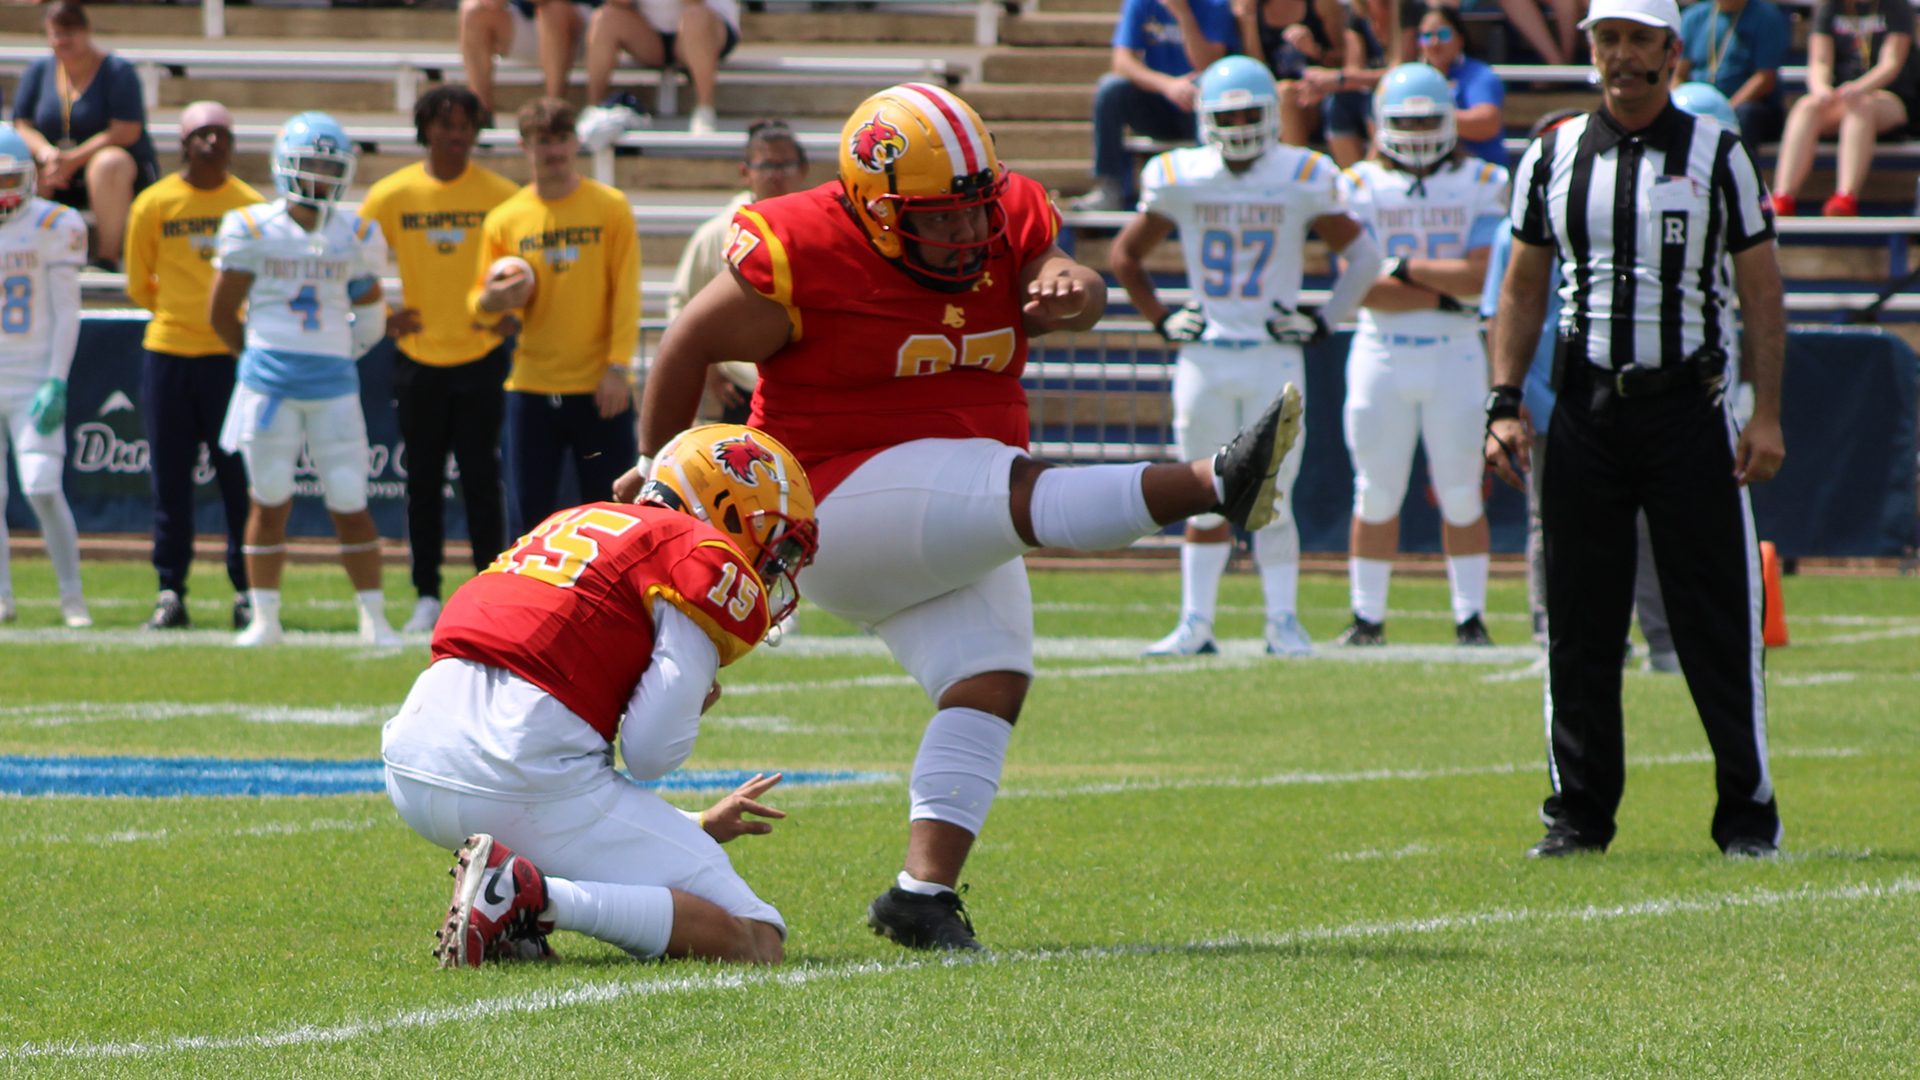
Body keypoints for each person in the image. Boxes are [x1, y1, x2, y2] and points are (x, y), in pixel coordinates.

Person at [622, 82, 1325, 950]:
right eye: (940, 218)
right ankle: (1214, 484)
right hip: (830, 501)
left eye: (974, 210)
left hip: (946, 513)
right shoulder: (808, 248)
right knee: (1013, 486)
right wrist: (658, 478)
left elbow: (1063, 279)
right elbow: (687, 342)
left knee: (989, 677)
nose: (965, 233)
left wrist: (1073, 281)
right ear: (875, 210)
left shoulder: (1006, 220)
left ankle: (922, 894)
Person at [1488, 0, 1788, 858]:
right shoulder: (1551, 153)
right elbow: (1521, 288)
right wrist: (1504, 403)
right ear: (1591, 49)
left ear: (1671, 50)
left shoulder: (1717, 154)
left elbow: (1762, 293)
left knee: (1719, 620)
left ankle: (1748, 816)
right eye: (1606, 40)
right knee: (1581, 624)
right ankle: (1578, 816)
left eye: (1637, 41)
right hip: (1584, 411)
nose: (1622, 57)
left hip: (1687, 411)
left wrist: (1765, 412)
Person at [384, 422, 817, 967]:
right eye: (773, 548)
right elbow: (650, 753)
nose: (771, 568)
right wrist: (681, 704)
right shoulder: (696, 549)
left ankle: (509, 904)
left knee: (566, 795)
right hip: (515, 777)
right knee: (757, 939)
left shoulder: (571, 519)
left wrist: (696, 825)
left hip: (413, 762)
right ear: (724, 507)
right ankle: (529, 899)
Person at [1111, 56, 1383, 657]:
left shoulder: (1300, 172)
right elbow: (1125, 257)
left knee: (1271, 496)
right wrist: (1161, 318)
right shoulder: (1182, 174)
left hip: (1269, 354)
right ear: (1206, 117)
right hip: (1206, 357)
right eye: (1226, 113)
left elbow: (1366, 256)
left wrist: (1323, 319)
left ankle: (1281, 621)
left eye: (1248, 113)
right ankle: (1196, 623)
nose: (1237, 124)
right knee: (1199, 495)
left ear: (1271, 115)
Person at [1482, 106, 1678, 671]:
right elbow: (1502, 314)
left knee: (1641, 519)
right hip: (1548, 394)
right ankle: (1556, 635)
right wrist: (1512, 398)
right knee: (1554, 521)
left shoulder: (1610, 216)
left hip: (1613, 385)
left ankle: (1662, 640)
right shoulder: (1510, 232)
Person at [209, 112, 402, 648]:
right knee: (268, 498)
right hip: (270, 386)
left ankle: (373, 618)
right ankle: (265, 619)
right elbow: (222, 312)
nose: (318, 174)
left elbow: (369, 311)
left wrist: (342, 352)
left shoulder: (356, 233)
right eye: (309, 163)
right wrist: (256, 359)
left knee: (349, 497)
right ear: (284, 166)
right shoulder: (253, 228)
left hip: (333, 385)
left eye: (327, 165)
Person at [1332, 63, 1508, 647]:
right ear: (1380, 124)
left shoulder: (1481, 180)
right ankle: (1367, 619)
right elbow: (1359, 285)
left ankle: (1470, 618)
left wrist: (1402, 269)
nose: (1415, 129)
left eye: (1427, 119)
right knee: (1375, 490)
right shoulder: (1357, 182)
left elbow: (1482, 275)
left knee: (1461, 489)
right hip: (1381, 349)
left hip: (1455, 353)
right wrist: (1441, 287)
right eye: (1403, 120)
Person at [361, 86, 523, 635]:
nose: (458, 136)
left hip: (481, 355)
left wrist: (514, 311)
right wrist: (384, 314)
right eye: (447, 125)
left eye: (467, 126)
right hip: (418, 359)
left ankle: (488, 590)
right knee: (423, 482)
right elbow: (348, 261)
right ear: (426, 128)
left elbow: (529, 266)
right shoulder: (392, 194)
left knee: (483, 479)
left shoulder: (502, 195)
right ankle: (426, 594)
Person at [471, 97, 641, 535]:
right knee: (529, 524)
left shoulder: (610, 206)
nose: (555, 150)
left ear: (576, 142)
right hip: (532, 390)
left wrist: (618, 366)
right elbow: (479, 304)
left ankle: (612, 606)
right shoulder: (505, 219)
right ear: (524, 146)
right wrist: (492, 301)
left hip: (601, 390)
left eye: (563, 138)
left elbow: (626, 292)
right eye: (543, 140)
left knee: (613, 520)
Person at [124, 100, 261, 632]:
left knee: (237, 480)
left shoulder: (249, 205)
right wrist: (182, 316)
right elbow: (140, 283)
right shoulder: (154, 203)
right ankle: (170, 590)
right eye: (202, 134)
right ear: (183, 142)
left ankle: (247, 589)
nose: (213, 144)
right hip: (169, 355)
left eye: (222, 135)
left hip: (229, 357)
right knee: (171, 478)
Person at [0, 127, 91, 629]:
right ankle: (3, 597)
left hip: (33, 373)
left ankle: (71, 595)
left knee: (40, 486)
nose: (4, 191)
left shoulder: (54, 224)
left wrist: (56, 378)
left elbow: (67, 311)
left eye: (10, 179)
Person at [667, 120, 809, 425]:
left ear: (803, 169)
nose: (776, 175)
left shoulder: (817, 231)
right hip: (740, 389)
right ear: (745, 171)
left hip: (800, 385)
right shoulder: (717, 234)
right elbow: (682, 304)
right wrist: (710, 371)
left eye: (786, 165)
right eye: (766, 164)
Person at [11, 0, 160, 269]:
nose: (63, 40)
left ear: (87, 30)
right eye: (56, 33)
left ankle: (107, 257)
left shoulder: (117, 71)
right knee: (26, 168)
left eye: (71, 32)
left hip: (112, 173)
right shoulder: (38, 71)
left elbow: (127, 129)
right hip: (55, 168)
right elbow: (21, 124)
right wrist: (49, 154)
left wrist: (74, 159)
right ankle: (34, 256)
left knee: (109, 163)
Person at [1076, 0, 1241, 211]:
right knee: (1110, 88)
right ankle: (1109, 188)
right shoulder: (1140, 3)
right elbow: (1122, 62)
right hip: (1155, 107)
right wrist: (1167, 86)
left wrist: (1183, 15)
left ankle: (1211, 186)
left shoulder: (1215, 5)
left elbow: (1209, 64)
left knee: (1207, 88)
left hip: (1197, 107)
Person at [1770, 0, 1920, 218]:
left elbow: (1891, 63)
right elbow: (1819, 62)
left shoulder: (1897, 7)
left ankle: (1845, 196)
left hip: (1888, 100)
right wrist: (1821, 89)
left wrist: (1859, 88)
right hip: (1844, 100)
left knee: (1862, 106)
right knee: (1806, 106)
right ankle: (1783, 196)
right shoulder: (1828, 7)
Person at [587, 0, 741, 137]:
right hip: (650, 32)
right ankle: (595, 112)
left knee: (695, 16)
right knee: (605, 18)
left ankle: (705, 108)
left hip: (707, 29)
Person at [1299, 0, 1424, 167]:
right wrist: (1325, 84)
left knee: (1375, 102)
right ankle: (1353, 178)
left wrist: (1339, 79)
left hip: (1405, 94)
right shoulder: (1358, 14)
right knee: (1337, 103)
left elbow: (1400, 73)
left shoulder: (1409, 8)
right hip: (1369, 90)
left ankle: (1380, 168)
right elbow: (1354, 71)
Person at [1674, 0, 1791, 158]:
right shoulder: (1694, 17)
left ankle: (1736, 176)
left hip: (1749, 108)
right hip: (1699, 107)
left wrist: (1725, 111)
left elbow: (1764, 79)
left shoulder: (1767, 16)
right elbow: (1679, 75)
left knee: (1747, 114)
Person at [1233, 0, 1347, 146]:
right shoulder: (1249, 8)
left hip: (1318, 93)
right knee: (1284, 92)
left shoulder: (1322, 5)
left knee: (1286, 93)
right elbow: (1257, 72)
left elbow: (1343, 60)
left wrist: (1315, 50)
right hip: (1273, 99)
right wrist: (1249, 25)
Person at [460, 0, 596, 120]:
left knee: (553, 8)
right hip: (527, 20)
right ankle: (481, 113)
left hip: (580, 25)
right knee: (473, 10)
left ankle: (553, 112)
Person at [1413, 5, 1507, 168]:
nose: (1435, 43)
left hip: (1480, 176)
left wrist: (1428, 118)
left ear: (1460, 39)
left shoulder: (1479, 74)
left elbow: (1486, 124)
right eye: (1427, 36)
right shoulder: (1413, 78)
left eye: (1443, 34)